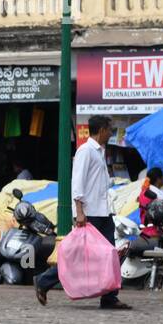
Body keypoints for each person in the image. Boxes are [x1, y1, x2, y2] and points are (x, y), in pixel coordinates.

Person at [35, 115, 128, 310]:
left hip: (103, 212)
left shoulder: (99, 152)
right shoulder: (86, 151)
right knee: (80, 256)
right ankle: (44, 281)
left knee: (110, 254)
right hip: (90, 213)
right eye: (109, 129)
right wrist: (79, 211)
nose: (111, 133)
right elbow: (77, 182)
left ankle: (109, 297)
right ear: (101, 129)